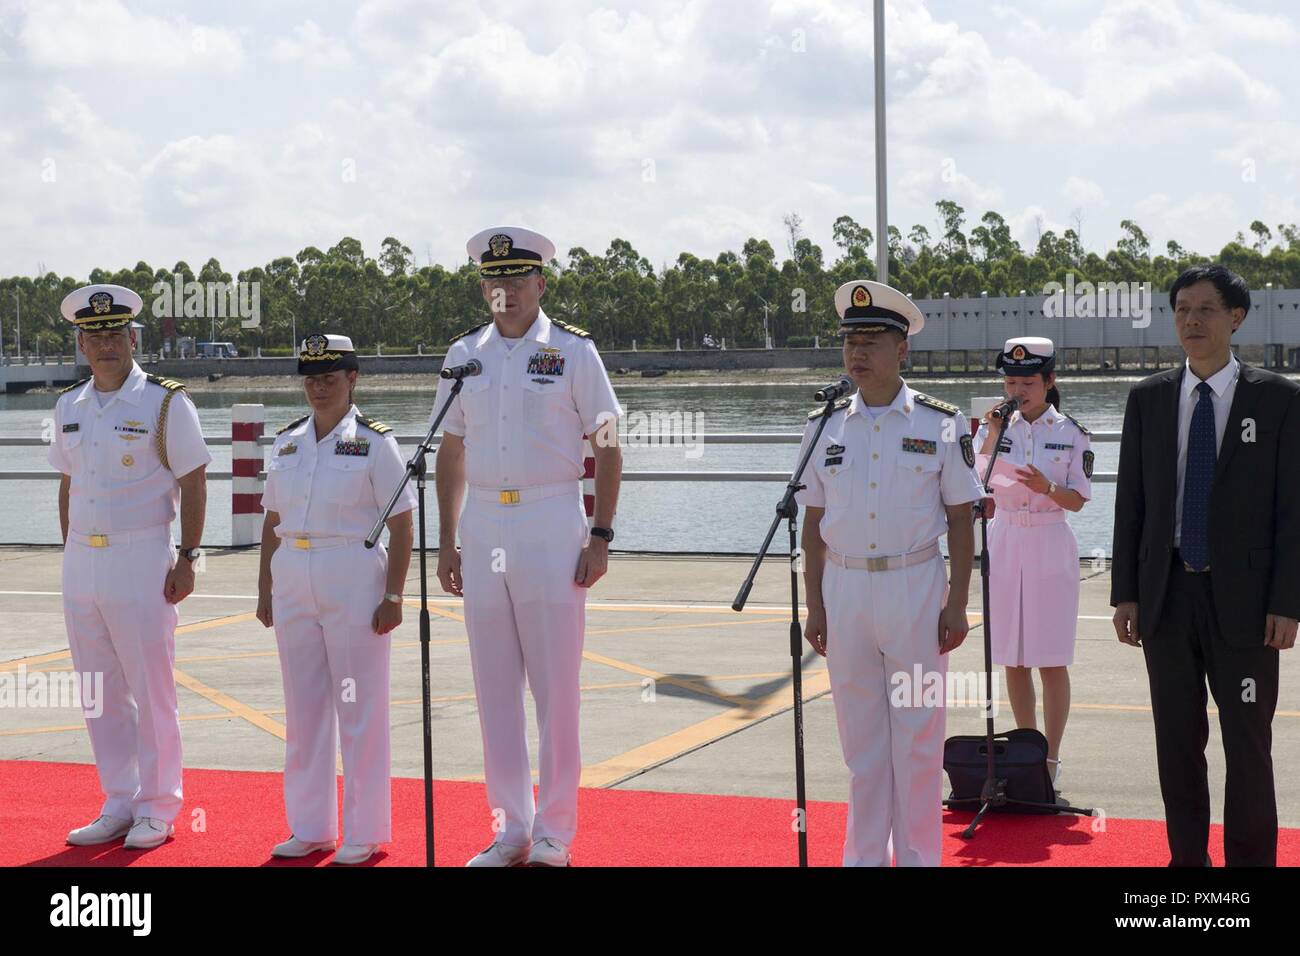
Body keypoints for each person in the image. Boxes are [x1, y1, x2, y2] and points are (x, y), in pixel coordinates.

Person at [433, 226, 623, 867]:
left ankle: (553, 832)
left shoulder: (572, 351)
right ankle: (510, 828)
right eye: (494, 280)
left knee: (555, 687)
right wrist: (448, 540)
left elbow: (608, 443)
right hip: (484, 520)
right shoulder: (464, 355)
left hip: (550, 518)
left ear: (540, 284)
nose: (505, 291)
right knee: (492, 688)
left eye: (517, 279)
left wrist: (601, 535)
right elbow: (451, 448)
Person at [1112, 264, 1299, 867]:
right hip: (1167, 600)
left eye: (1205, 310)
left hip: (1246, 608)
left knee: (1247, 744)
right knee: (1177, 744)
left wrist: (1288, 601)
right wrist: (1127, 594)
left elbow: (1293, 510)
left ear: (1236, 318)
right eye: (1182, 309)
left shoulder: (1278, 399)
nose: (1191, 321)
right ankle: (1187, 866)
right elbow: (1131, 504)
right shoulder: (1149, 398)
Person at [797, 279, 982, 866]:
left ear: (902, 350)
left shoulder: (940, 423)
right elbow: (811, 522)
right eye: (850, 339)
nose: (858, 352)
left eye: (872, 340)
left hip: (916, 588)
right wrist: (816, 606)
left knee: (920, 743)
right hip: (845, 589)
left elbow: (960, 519)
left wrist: (957, 604)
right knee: (862, 747)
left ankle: (921, 859)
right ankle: (864, 859)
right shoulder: (823, 425)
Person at [49, 283, 210, 850]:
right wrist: (69, 549)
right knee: (99, 687)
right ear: (81, 343)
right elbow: (68, 482)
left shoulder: (164, 403)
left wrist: (189, 556)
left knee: (151, 686)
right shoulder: (69, 405)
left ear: (132, 337)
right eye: (95, 335)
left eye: (115, 333)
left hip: (142, 554)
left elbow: (193, 479)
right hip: (81, 561)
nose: (106, 344)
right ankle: (119, 799)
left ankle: (160, 804)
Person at [255, 333, 415, 865]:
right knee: (303, 710)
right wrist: (265, 588)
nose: (318, 388)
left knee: (358, 707)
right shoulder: (286, 442)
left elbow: (402, 522)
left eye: (329, 377)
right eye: (311, 379)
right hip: (293, 572)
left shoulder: (375, 441)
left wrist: (394, 593)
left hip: (352, 570)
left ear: (352, 379)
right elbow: (272, 520)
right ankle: (311, 826)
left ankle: (364, 830)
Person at [974, 337, 1091, 785]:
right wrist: (986, 438)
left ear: (1050, 381)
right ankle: (1024, 752)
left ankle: (1051, 760)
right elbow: (979, 482)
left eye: (1027, 381)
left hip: (1048, 542)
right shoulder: (997, 428)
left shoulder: (1070, 434)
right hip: (1005, 541)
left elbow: (1078, 500)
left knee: (1050, 658)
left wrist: (1046, 488)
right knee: (1014, 657)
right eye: (1010, 381)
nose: (1017, 389)